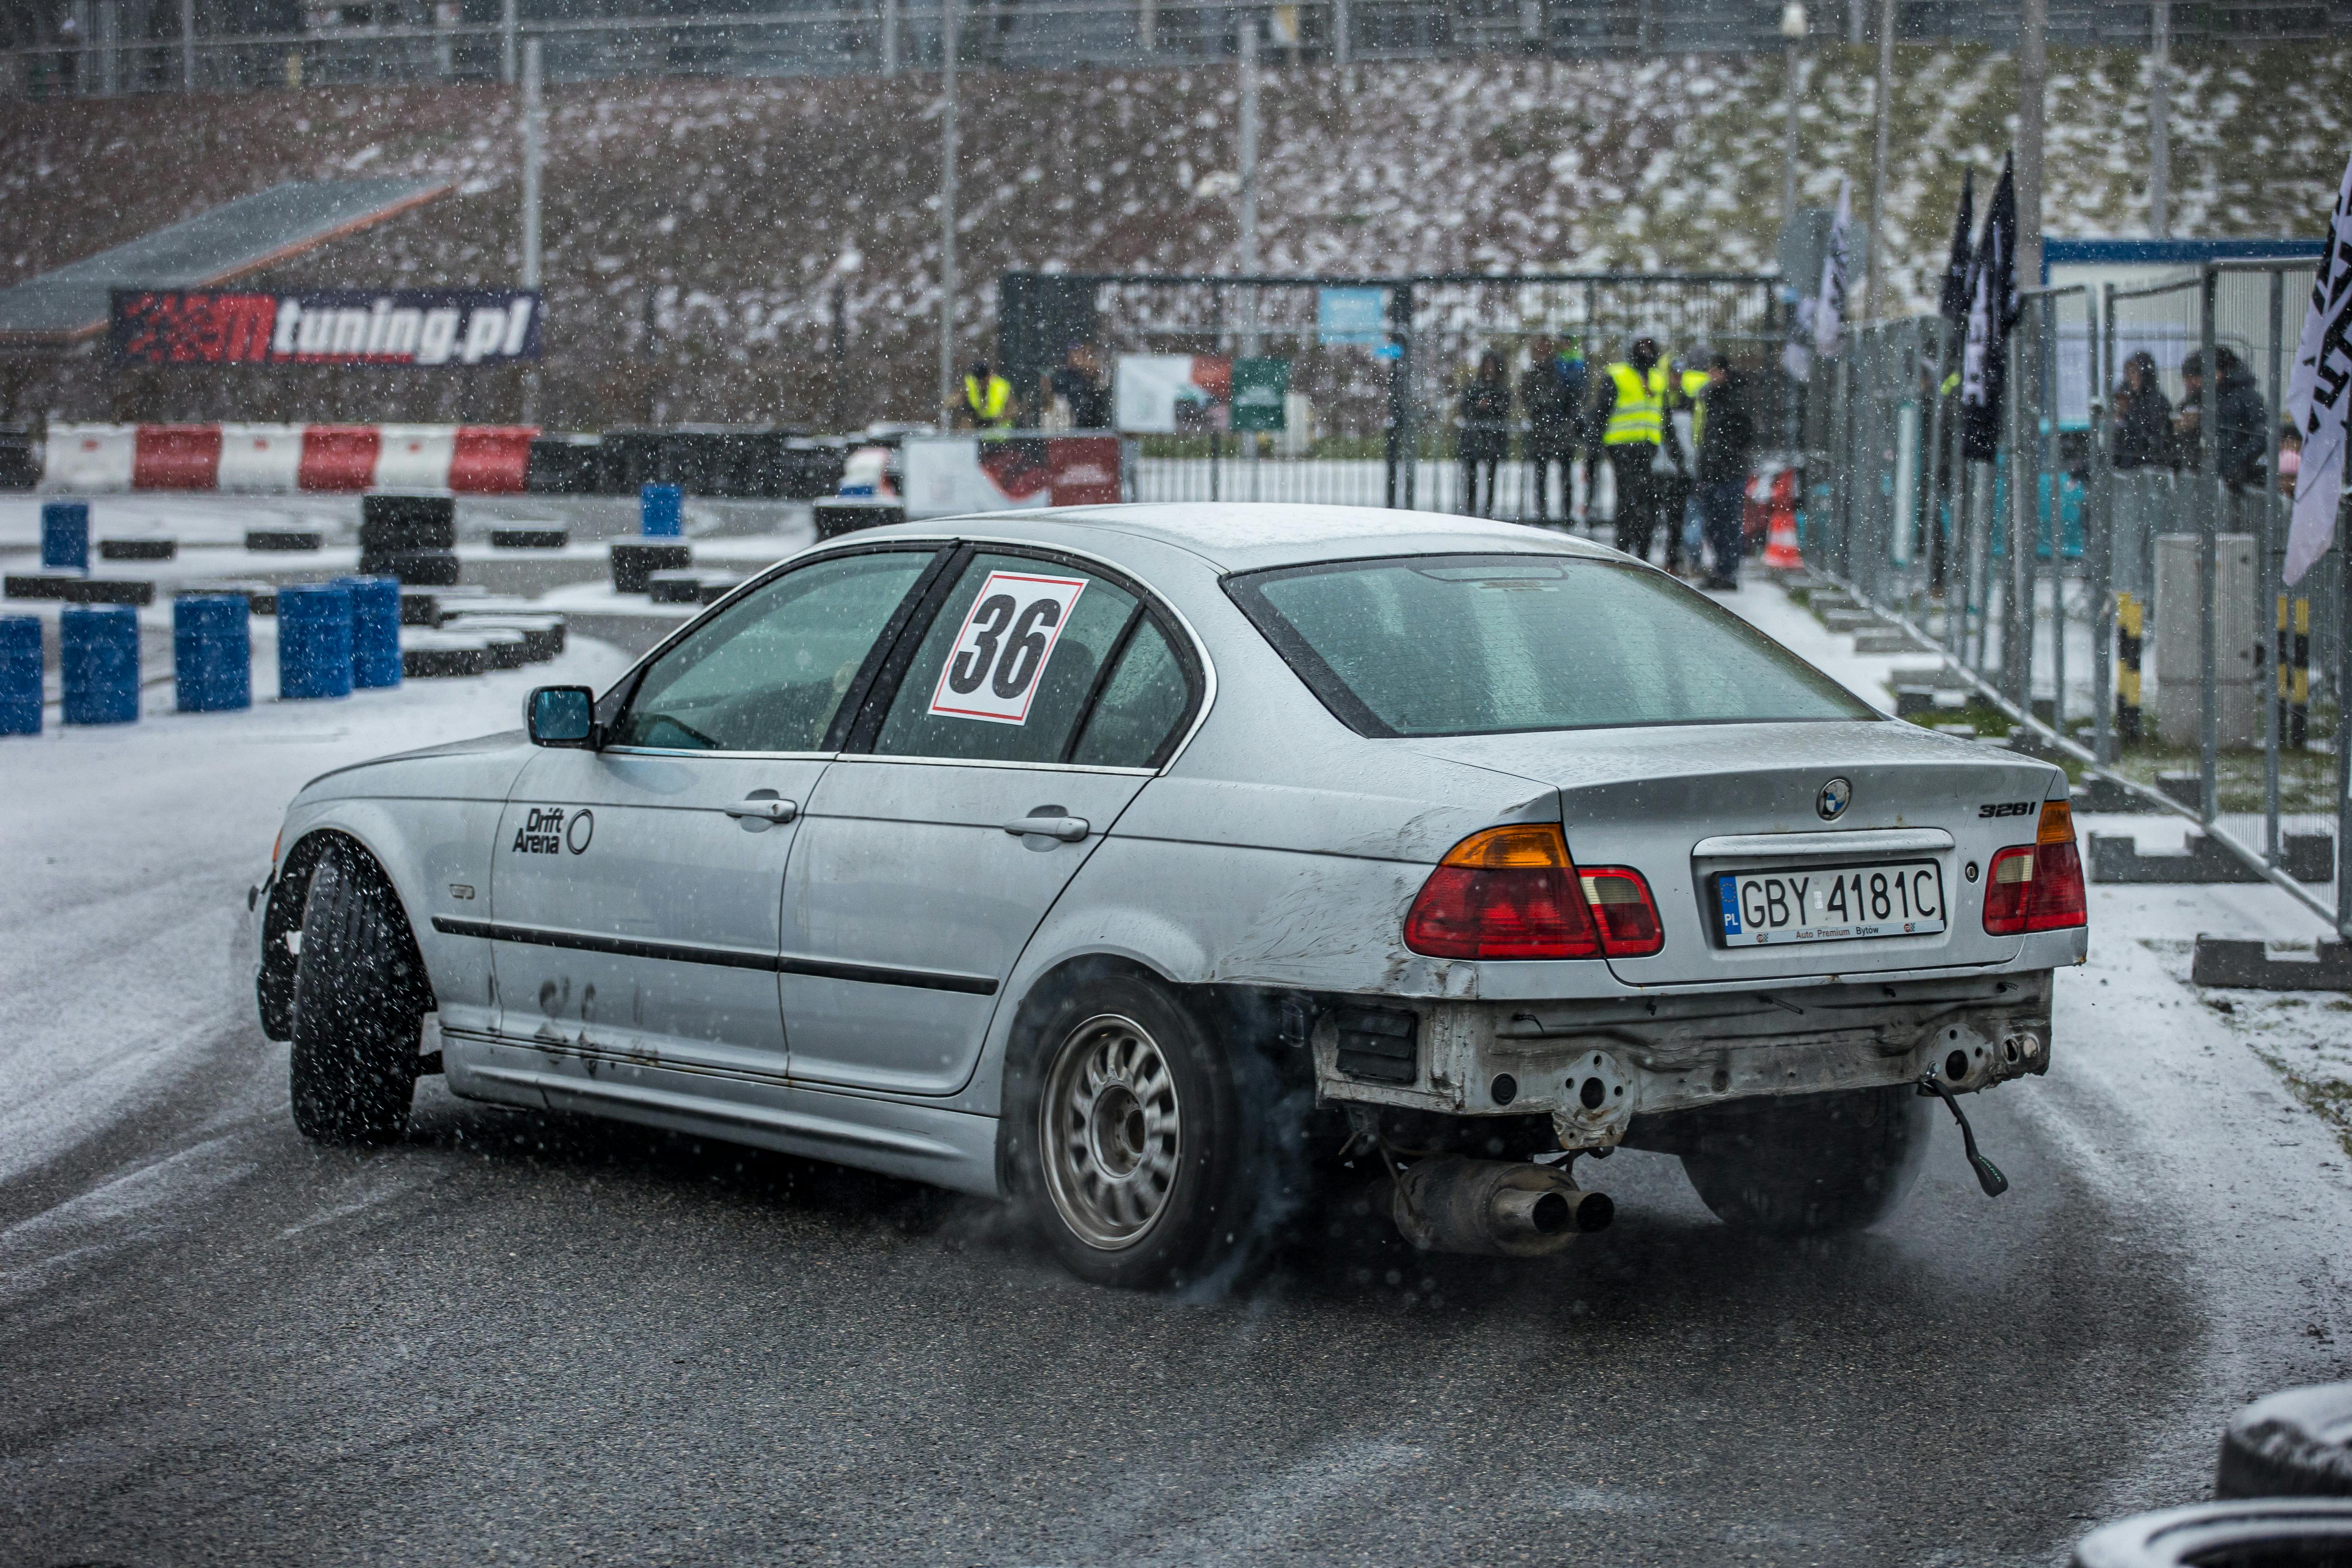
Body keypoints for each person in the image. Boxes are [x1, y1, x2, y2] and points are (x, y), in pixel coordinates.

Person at [1590, 334, 1670, 560]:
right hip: (1623, 447)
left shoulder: (1658, 378)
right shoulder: (1617, 374)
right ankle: (1624, 549)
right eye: (1641, 347)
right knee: (1628, 501)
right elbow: (1601, 412)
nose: (1645, 353)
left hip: (1650, 448)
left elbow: (1665, 416)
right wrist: (1594, 446)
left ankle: (1642, 552)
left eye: (1649, 347)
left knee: (1647, 501)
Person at [1693, 350, 1756, 590]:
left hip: (1728, 472)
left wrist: (1725, 453)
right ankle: (1722, 568)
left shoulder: (1734, 399)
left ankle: (1728, 571)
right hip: (1714, 470)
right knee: (1714, 523)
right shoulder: (1711, 398)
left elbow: (1744, 433)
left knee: (1727, 523)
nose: (1710, 376)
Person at [2174, 347, 2267, 488]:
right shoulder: (2202, 399)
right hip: (2213, 477)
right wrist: (2187, 431)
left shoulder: (2245, 397)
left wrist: (2237, 464)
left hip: (2238, 480)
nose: (2189, 384)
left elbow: (2260, 436)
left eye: (2194, 378)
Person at [1519, 336, 1577, 525]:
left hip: (1561, 428)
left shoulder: (1562, 372)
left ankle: (1567, 512)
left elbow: (1572, 397)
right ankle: (1542, 512)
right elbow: (1527, 399)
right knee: (1541, 474)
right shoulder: (1531, 375)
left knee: (1565, 474)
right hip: (1542, 430)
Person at [1458, 349, 1513, 519]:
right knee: (1472, 474)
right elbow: (1465, 408)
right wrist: (1477, 407)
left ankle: (1489, 506)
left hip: (1493, 438)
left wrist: (1494, 406)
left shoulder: (1501, 389)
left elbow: (1505, 408)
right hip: (1475, 438)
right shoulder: (1473, 387)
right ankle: (1471, 505)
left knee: (1491, 474)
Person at [2109, 351, 2174, 470]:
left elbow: (2153, 432)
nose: (2130, 377)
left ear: (2144, 374)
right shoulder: (2125, 395)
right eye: (2128, 373)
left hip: (2149, 463)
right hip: (2126, 463)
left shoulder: (2157, 401)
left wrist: (2128, 417)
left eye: (2134, 372)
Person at [1043, 341, 1112, 430]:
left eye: (1091, 355)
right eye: (1084, 353)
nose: (1086, 359)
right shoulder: (1062, 380)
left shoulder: (1100, 385)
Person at [959, 359, 1014, 431]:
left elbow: (1014, 410)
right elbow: (955, 400)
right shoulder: (971, 386)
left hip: (1000, 436)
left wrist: (996, 419)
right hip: (980, 436)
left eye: (984, 380)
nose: (981, 384)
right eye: (978, 382)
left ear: (989, 376)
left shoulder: (1001, 387)